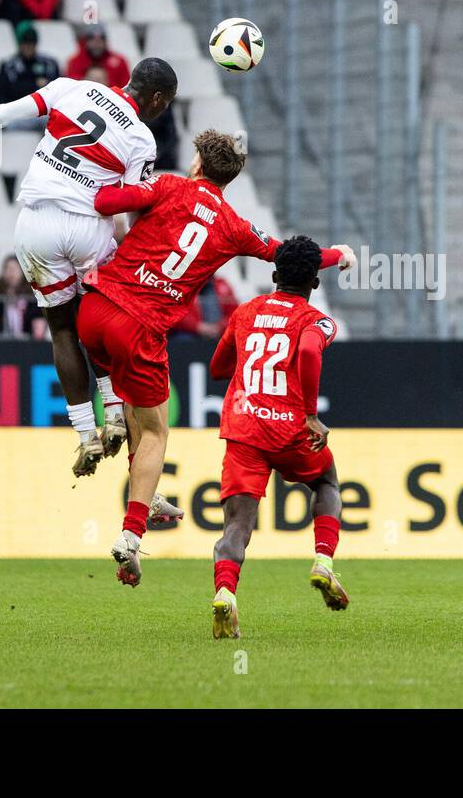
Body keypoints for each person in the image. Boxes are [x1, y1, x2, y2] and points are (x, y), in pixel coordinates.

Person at [75, 129, 354, 586]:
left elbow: (105, 203)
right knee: (156, 434)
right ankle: (131, 533)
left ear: (198, 163)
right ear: (230, 178)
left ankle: (123, 458)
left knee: (130, 407)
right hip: (140, 328)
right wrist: (337, 254)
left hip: (96, 309)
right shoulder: (234, 226)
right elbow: (287, 254)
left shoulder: (167, 186)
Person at [0, 58, 180, 476]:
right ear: (157, 98)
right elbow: (126, 209)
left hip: (35, 223)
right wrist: (128, 252)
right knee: (99, 319)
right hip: (89, 225)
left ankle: (86, 433)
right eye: (166, 103)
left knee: (62, 328)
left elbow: (3, 113)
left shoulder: (72, 87)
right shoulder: (142, 139)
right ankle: (114, 410)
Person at [206, 237, 348, 638]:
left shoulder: (245, 311)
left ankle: (225, 594)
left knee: (237, 526)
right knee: (326, 481)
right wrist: (309, 415)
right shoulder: (317, 321)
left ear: (273, 275)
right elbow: (306, 353)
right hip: (289, 427)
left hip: (245, 427)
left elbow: (218, 368)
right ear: (315, 284)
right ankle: (322, 561)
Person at [0, 254, 45, 338]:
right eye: (7, 268)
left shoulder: (33, 296)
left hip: (27, 344)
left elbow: (37, 322)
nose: (11, 273)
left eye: (15, 269)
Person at [0, 22, 59, 102]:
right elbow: (8, 91)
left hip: (43, 108)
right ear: (19, 43)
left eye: (32, 42)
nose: (28, 46)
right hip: (17, 107)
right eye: (25, 42)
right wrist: (35, 84)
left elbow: (56, 88)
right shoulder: (8, 65)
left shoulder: (49, 64)